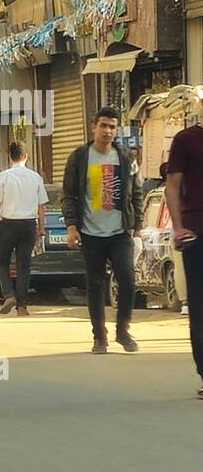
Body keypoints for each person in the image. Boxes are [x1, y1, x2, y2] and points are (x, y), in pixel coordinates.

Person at [62, 107, 144, 354]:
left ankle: (123, 330)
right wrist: (72, 227)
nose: (107, 131)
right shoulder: (80, 157)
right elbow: (69, 195)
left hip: (120, 232)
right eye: (103, 125)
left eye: (112, 127)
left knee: (127, 279)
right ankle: (99, 337)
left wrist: (138, 227)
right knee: (95, 284)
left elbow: (137, 192)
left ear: (116, 130)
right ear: (93, 127)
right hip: (91, 233)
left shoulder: (125, 157)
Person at [164, 116, 203, 398]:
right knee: (200, 307)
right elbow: (172, 186)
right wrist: (177, 228)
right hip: (196, 232)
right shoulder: (185, 139)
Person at [0, 142, 48, 316]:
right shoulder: (35, 177)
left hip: (8, 224)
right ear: (26, 156)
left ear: (10, 157)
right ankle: (22, 307)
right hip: (29, 225)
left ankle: (9, 295)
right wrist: (41, 228)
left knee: (2, 262)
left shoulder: (4, 177)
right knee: (24, 266)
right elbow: (41, 207)